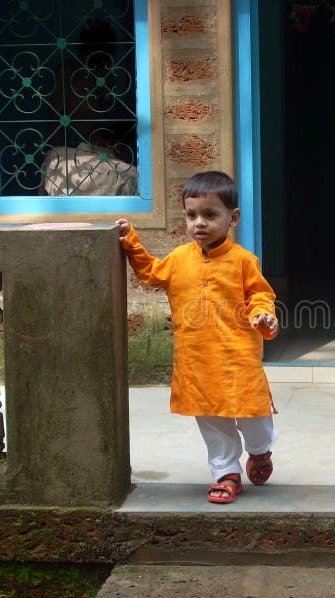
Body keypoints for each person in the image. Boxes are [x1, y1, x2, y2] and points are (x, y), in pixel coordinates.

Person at [116, 171, 279, 504]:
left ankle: (260, 452)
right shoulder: (178, 259)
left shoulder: (244, 261)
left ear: (232, 218)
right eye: (192, 215)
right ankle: (226, 473)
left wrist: (264, 317)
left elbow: (261, 296)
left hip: (238, 360)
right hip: (198, 362)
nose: (199, 223)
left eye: (210, 215)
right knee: (213, 422)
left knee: (255, 419)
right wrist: (131, 241)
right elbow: (149, 272)